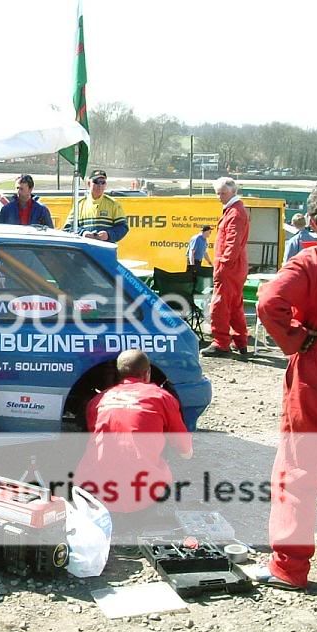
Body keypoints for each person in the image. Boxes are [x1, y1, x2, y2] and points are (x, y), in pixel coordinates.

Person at [254, 178, 317, 590]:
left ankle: (290, 567)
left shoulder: (312, 262)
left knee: (297, 475)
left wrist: (295, 338)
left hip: (315, 387)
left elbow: (270, 302)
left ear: (311, 220)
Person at [73, 350, 192, 513]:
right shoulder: (161, 397)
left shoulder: (97, 401)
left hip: (97, 493)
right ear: (148, 373)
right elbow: (185, 450)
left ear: (118, 373)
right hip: (141, 496)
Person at [200, 177, 250, 358]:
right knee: (235, 305)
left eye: (223, 193)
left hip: (229, 266)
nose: (220, 197)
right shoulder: (236, 211)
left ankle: (221, 343)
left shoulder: (235, 213)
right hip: (236, 266)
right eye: (218, 193)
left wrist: (223, 266)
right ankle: (241, 341)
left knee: (220, 305)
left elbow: (232, 242)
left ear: (233, 192)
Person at [66, 170, 129, 243]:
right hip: (85, 250)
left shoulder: (113, 204)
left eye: (103, 182)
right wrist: (83, 233)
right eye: (96, 182)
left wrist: (108, 234)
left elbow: (123, 227)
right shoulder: (79, 204)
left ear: (106, 185)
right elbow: (68, 228)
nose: (100, 185)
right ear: (89, 183)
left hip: (106, 249)